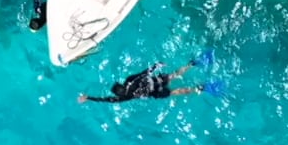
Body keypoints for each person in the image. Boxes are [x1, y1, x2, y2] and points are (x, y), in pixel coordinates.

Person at [79, 50, 220, 103]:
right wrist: (155, 66)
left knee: (175, 87)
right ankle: (194, 65)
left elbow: (108, 99)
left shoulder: (126, 94)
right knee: (175, 77)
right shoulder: (128, 87)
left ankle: (201, 87)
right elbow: (142, 74)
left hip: (154, 88)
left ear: (121, 87)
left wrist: (155, 66)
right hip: (154, 87)